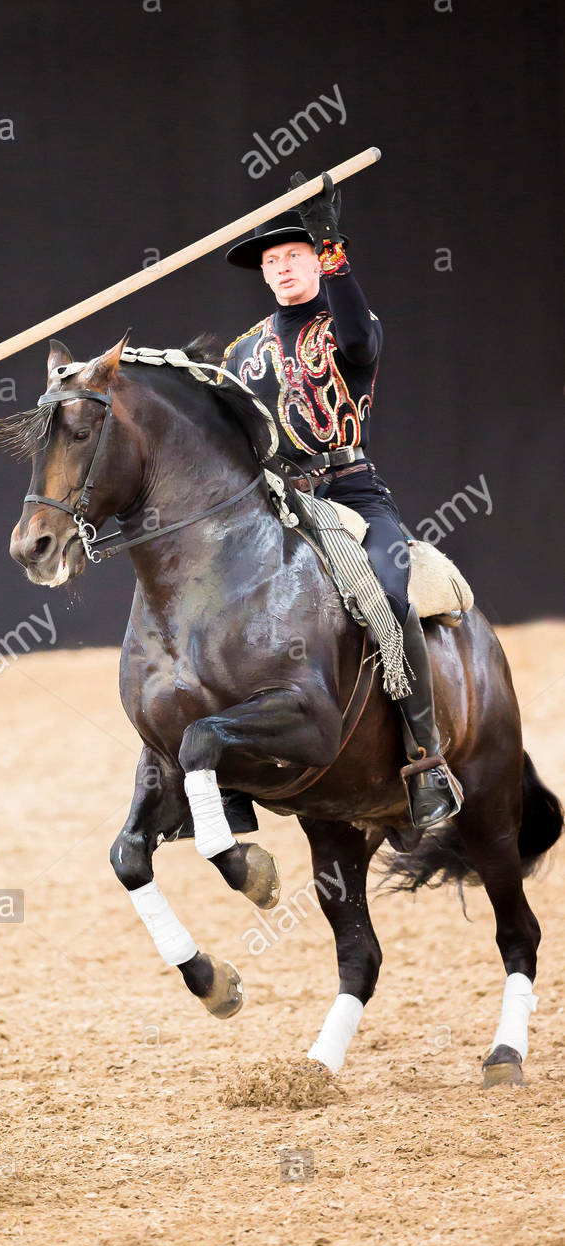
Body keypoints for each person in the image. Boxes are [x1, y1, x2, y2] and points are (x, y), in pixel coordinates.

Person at [220, 174, 463, 830]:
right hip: (278, 502)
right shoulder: (241, 353)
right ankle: (225, 766)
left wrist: (333, 246)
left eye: (292, 257)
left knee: (388, 591)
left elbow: (361, 344)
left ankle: (425, 757)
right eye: (271, 262)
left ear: (314, 262)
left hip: (352, 491)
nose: (281, 269)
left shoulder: (345, 323)